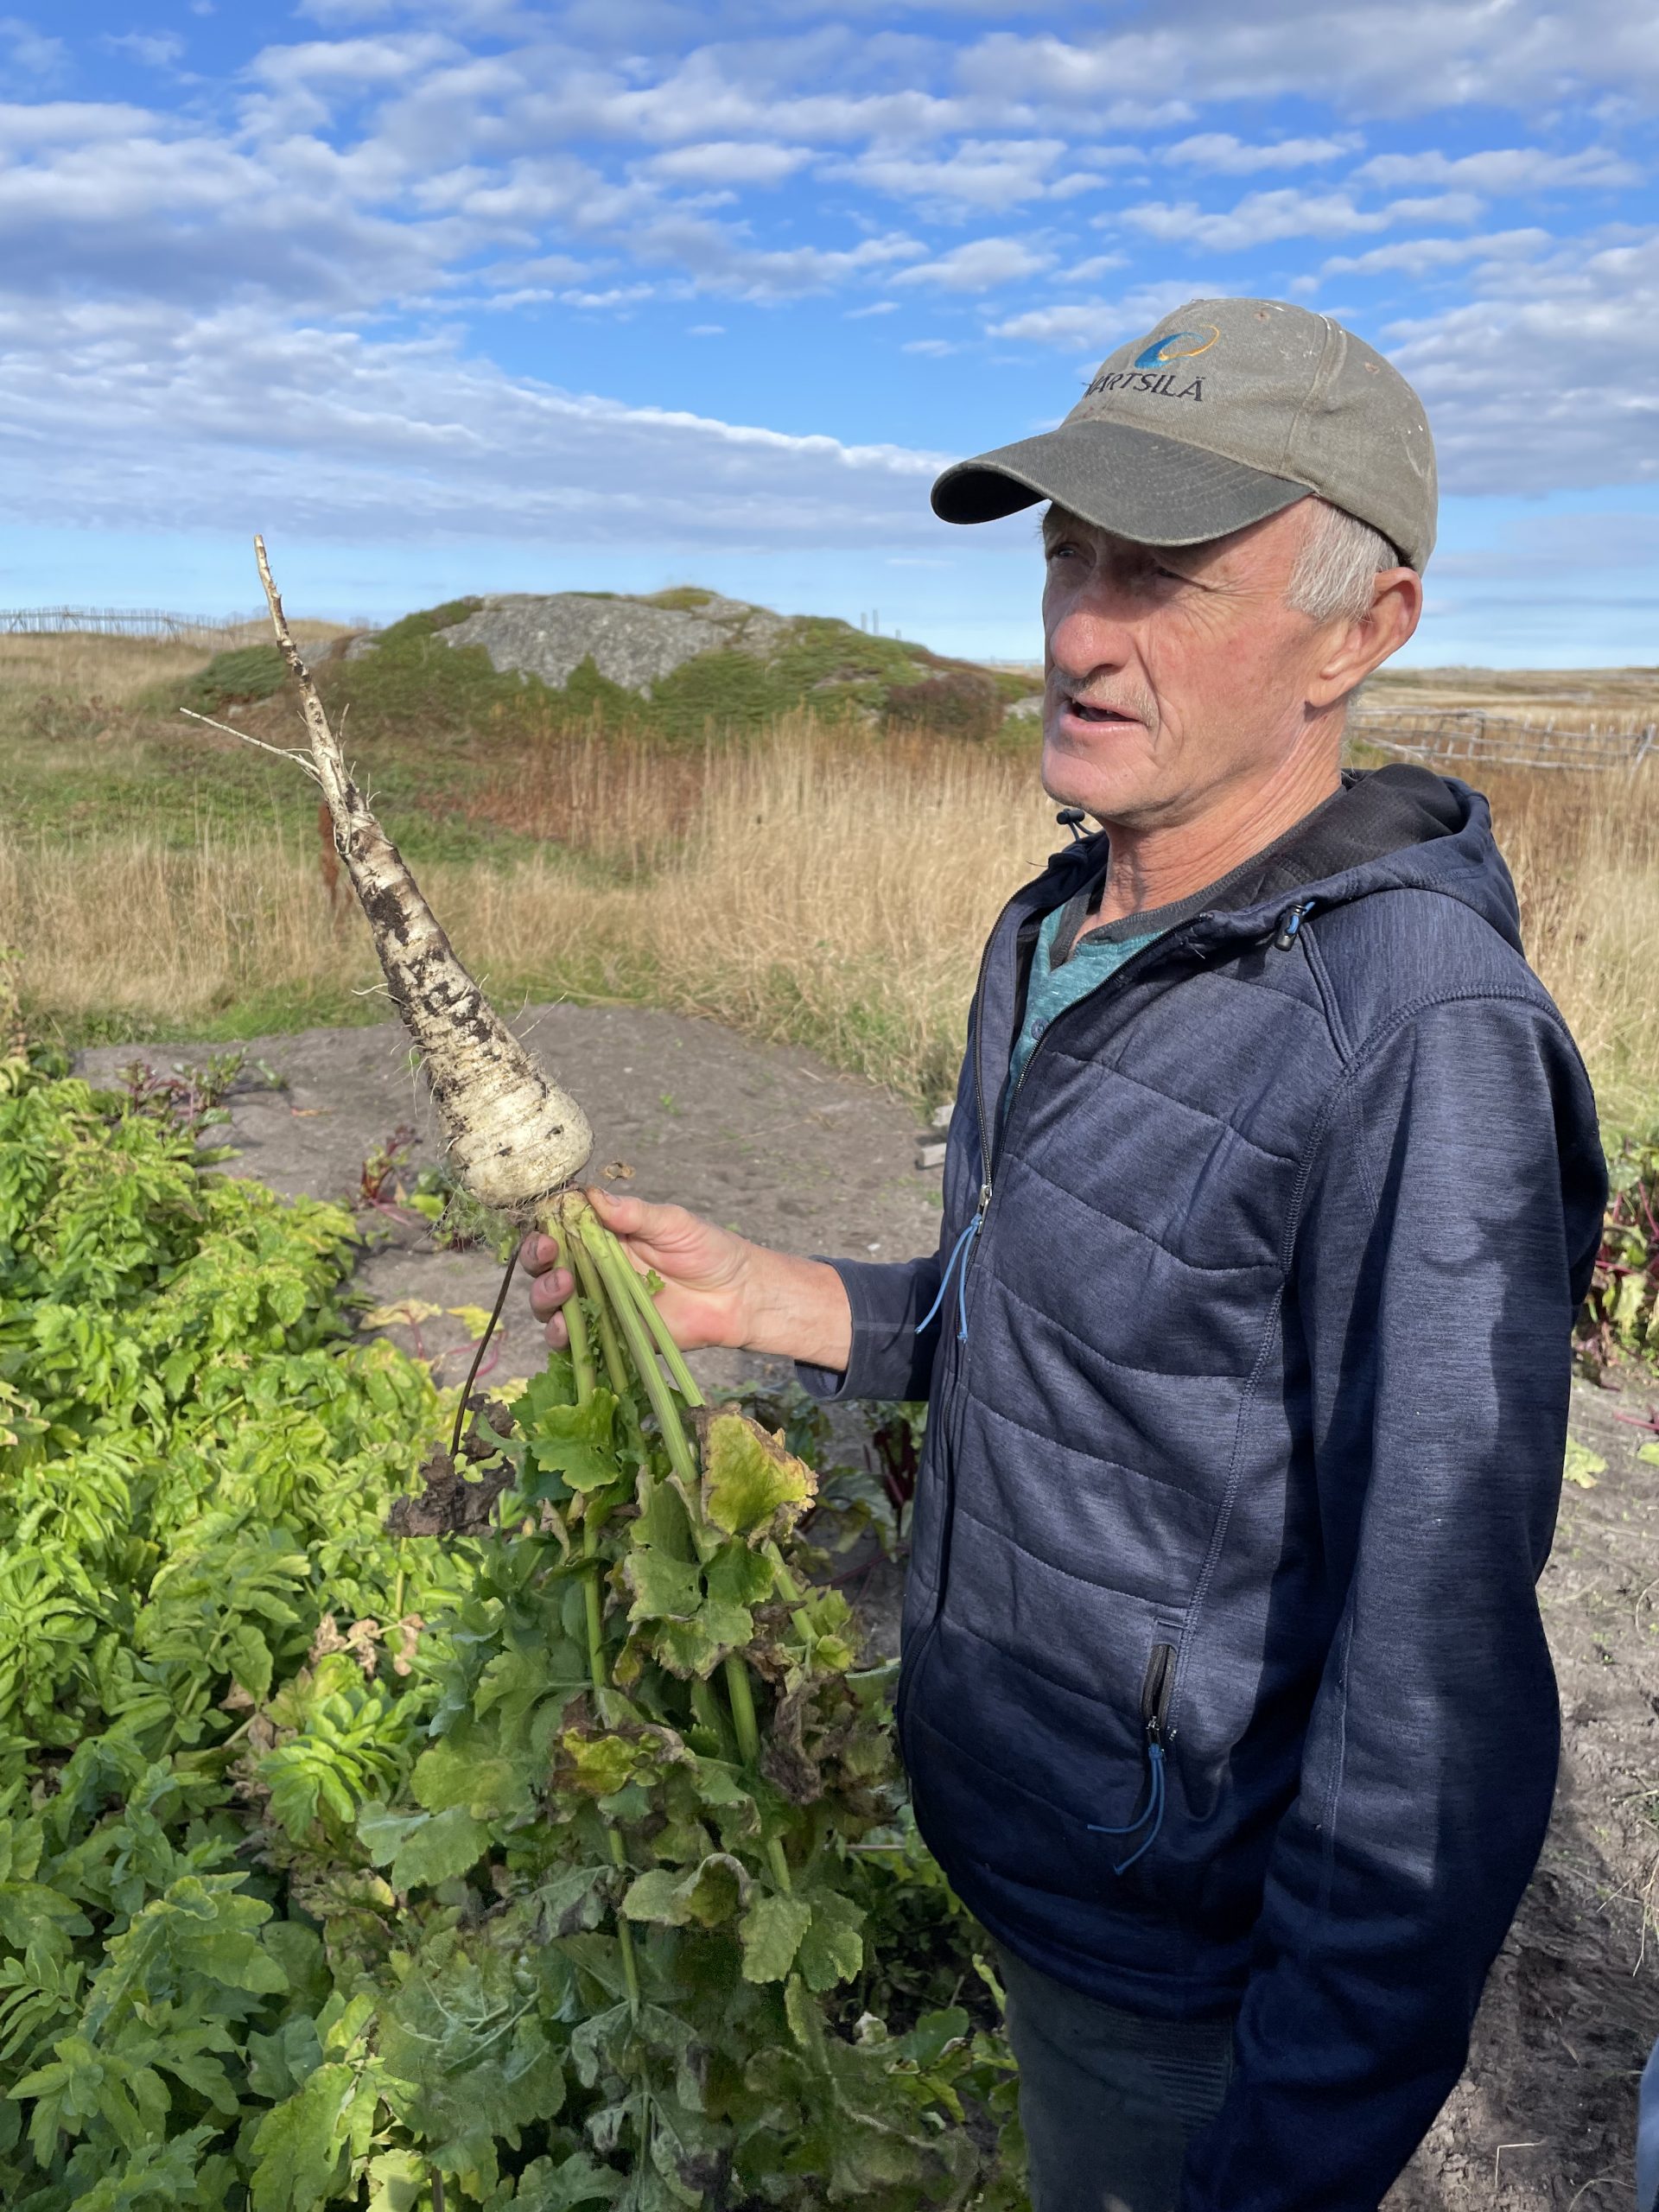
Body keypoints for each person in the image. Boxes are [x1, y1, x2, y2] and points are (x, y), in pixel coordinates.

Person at [522, 297, 1607, 2211]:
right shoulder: (1064, 926)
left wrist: (1290, 2155)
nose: (1083, 631)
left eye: (1166, 575)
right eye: (1069, 555)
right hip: (1034, 1850)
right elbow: (1067, 1319)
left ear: (1362, 631)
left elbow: (1436, 1675)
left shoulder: (1419, 1035)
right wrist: (782, 1298)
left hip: (1179, 1953)